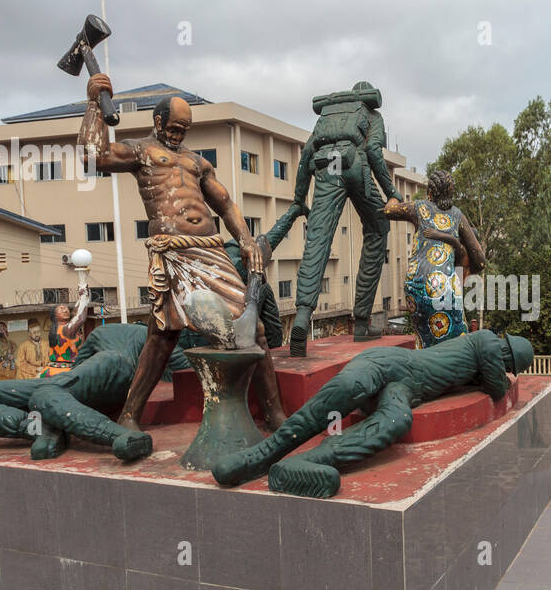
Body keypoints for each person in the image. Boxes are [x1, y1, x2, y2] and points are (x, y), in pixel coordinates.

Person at [79, 75, 285, 432]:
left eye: (184, 129)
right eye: (174, 127)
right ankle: (130, 415)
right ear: (157, 122)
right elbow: (93, 155)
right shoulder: (141, 152)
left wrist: (247, 240)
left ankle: (273, 413)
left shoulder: (196, 163)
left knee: (257, 331)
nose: (178, 134)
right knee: (162, 337)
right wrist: (95, 104)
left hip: (211, 251)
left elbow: (225, 203)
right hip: (172, 252)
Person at [213, 331, 533, 498]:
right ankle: (261, 456)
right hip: (390, 362)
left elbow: (484, 380)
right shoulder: (489, 343)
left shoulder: (479, 357)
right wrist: (504, 379)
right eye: (509, 366)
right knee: (348, 388)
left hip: (408, 388)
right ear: (508, 354)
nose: (505, 369)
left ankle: (306, 463)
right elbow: (496, 389)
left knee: (397, 421)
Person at [0, 323, 191, 461]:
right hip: (67, 387)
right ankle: (41, 426)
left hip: (114, 370)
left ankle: (121, 436)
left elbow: (180, 368)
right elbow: (184, 370)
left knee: (45, 395)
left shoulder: (140, 336)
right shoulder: (134, 334)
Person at [287, 81, 397, 355]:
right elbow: (373, 152)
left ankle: (302, 316)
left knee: (318, 239)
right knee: (377, 226)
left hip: (328, 166)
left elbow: (306, 156)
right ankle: (361, 323)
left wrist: (299, 199)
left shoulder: (329, 115)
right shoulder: (372, 115)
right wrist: (392, 193)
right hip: (354, 165)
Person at [382, 169, 485, 348]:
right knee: (457, 340)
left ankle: (424, 366)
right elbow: (481, 260)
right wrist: (461, 256)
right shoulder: (457, 215)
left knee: (424, 338)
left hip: (415, 284)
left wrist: (394, 195)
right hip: (443, 287)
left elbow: (389, 210)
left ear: (430, 192)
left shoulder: (418, 207)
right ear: (451, 193)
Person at [42, 286, 90, 377]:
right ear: (55, 315)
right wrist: (84, 296)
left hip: (50, 370)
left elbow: (75, 313)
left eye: (66, 308)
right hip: (66, 372)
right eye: (61, 309)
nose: (65, 310)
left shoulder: (58, 328)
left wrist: (81, 297)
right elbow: (81, 318)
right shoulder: (66, 329)